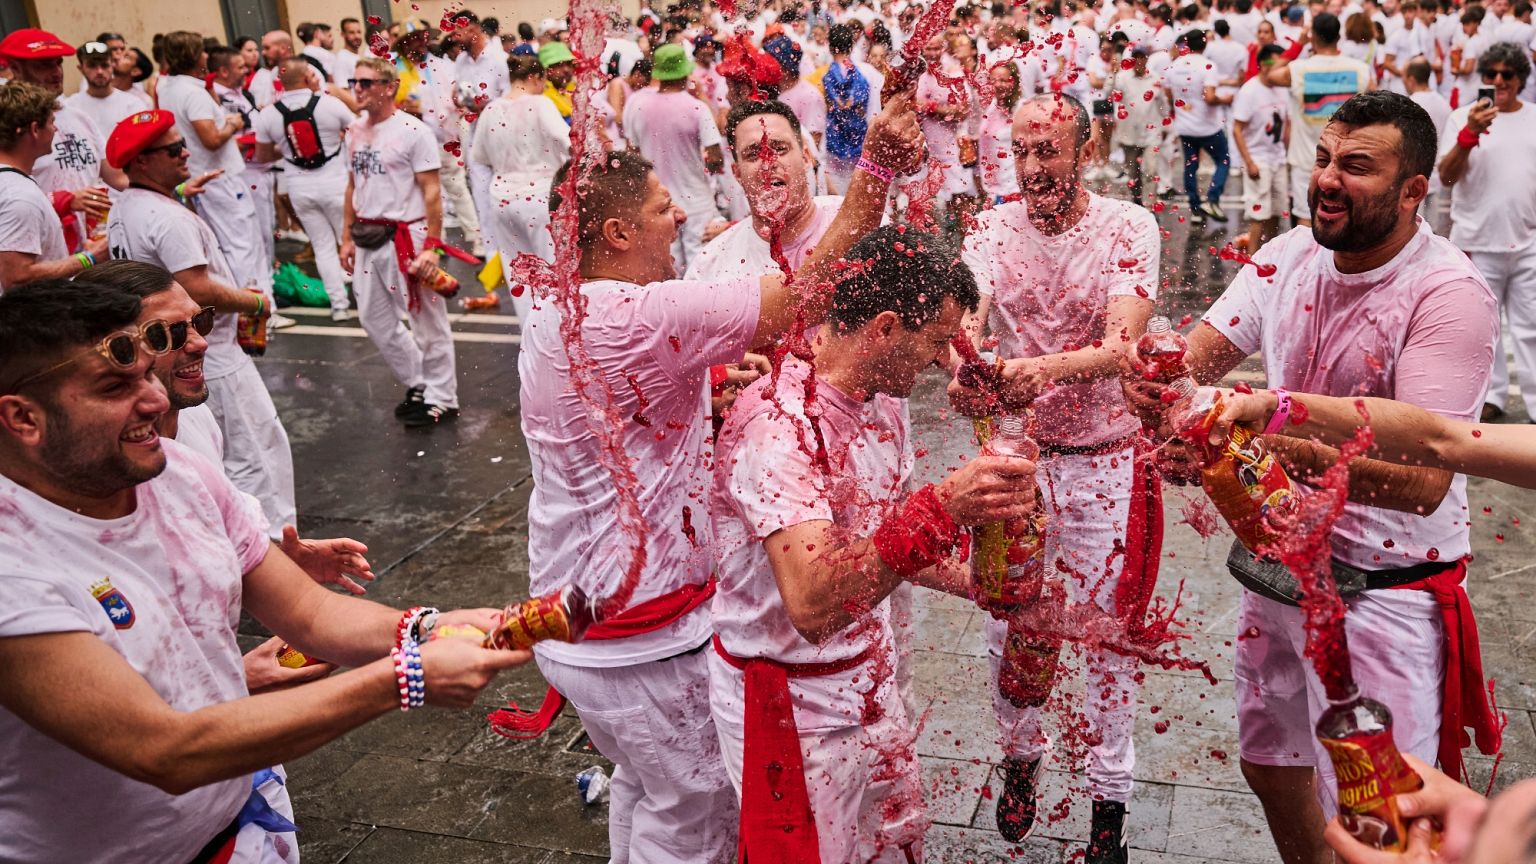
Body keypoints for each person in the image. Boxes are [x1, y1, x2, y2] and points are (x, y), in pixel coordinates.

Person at [513, 91, 921, 864]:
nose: (680, 218)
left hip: (578, 615)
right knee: (695, 818)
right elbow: (798, 296)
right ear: (617, 231)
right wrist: (875, 168)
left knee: (645, 788)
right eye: (664, 207)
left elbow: (634, 409)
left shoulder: (554, 308)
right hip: (638, 638)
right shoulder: (631, 312)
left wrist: (712, 394)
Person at [0, 279, 527, 862]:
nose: (153, 400)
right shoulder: (12, 565)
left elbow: (310, 611)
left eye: (149, 374)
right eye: (113, 388)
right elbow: (163, 751)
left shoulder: (181, 472)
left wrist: (425, 628)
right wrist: (404, 678)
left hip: (240, 828)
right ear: (24, 418)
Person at [1121, 91, 1500, 864]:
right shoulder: (1289, 255)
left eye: (1357, 167)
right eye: (1324, 158)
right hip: (1281, 569)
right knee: (1270, 762)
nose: (1328, 179)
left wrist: (1257, 443)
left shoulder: (1446, 295)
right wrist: (1158, 390)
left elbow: (1424, 482)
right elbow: (1197, 359)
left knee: (1381, 821)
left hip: (1383, 593)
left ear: (1412, 190)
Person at [710, 227, 1028, 863]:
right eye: (936, 342)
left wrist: (989, 583)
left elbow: (877, 535)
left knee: (894, 846)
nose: (943, 363)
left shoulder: (879, 397)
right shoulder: (780, 427)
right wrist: (942, 507)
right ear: (884, 328)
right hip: (791, 709)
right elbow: (815, 604)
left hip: (867, 686)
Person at [949, 93, 1161, 864]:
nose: (1035, 169)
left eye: (1050, 151)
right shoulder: (989, 227)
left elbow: (1122, 345)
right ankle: (1019, 760)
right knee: (1009, 623)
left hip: (1106, 459)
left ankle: (1110, 802)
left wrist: (1025, 372)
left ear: (1087, 148)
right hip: (1021, 464)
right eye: (1023, 152)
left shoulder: (1128, 227)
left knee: (1107, 637)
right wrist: (964, 368)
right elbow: (964, 324)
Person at [105, 108, 297, 538]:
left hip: (166, 354)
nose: (184, 153)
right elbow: (197, 289)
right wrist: (254, 302)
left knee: (207, 454)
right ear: (141, 162)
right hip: (211, 355)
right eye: (172, 149)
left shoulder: (127, 206)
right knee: (256, 456)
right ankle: (275, 556)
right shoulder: (167, 218)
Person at [340, 58, 461, 428]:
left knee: (426, 321)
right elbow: (352, 185)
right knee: (373, 319)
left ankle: (444, 397)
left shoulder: (413, 131)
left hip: (408, 236)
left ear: (389, 87)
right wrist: (345, 236)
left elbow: (432, 192)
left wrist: (433, 247)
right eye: (354, 82)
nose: (357, 89)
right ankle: (420, 381)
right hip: (366, 236)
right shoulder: (354, 130)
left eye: (366, 82)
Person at [1436, 41, 1536, 424]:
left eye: (1506, 75)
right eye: (1490, 74)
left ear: (1520, 79)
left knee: (1530, 328)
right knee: (1482, 327)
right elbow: (1445, 176)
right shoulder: (1463, 117)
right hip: (1477, 239)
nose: (1498, 81)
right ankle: (1490, 398)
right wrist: (1470, 135)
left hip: (1527, 239)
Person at [155, 31, 275, 308]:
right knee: (242, 245)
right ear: (195, 56)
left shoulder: (169, 88)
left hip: (204, 177)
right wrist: (233, 123)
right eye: (202, 52)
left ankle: (251, 304)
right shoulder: (191, 93)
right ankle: (255, 309)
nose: (206, 56)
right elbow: (210, 139)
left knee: (231, 245)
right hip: (219, 177)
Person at [0, 28, 128, 253]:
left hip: (92, 250)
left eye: (58, 63)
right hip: (41, 256)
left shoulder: (79, 116)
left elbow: (115, 177)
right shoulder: (10, 125)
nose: (56, 72)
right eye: (43, 65)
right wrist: (64, 200)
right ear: (16, 69)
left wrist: (171, 187)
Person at [254, 58, 356, 321]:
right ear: (308, 77)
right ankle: (367, 297)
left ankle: (339, 305)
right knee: (351, 242)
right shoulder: (330, 105)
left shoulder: (268, 114)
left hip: (300, 187)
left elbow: (263, 155)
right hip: (336, 185)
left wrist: (288, 145)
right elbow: (358, 132)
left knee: (322, 247)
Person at [470, 54, 570, 321]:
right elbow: (567, 140)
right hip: (538, 196)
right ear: (535, 78)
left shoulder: (492, 109)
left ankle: (531, 337)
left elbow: (479, 156)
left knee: (521, 276)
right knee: (551, 272)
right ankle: (554, 336)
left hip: (502, 199)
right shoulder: (540, 104)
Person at [1263, 13, 1374, 226]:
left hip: (1308, 158)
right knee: (1345, 215)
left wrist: (1299, 43)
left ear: (1312, 36)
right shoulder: (1360, 69)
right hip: (1347, 157)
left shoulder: (1299, 69)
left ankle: (1306, 260)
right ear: (1338, 36)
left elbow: (1269, 74)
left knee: (1306, 216)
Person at [623, 43, 724, 269]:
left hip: (658, 200)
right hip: (696, 199)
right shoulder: (697, 107)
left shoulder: (638, 105)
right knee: (703, 265)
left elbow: (632, 154)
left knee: (669, 265)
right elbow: (716, 157)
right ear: (685, 72)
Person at [0, 81, 106, 290]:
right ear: (34, 130)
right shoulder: (20, 197)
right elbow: (16, 277)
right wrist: (89, 258)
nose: (56, 128)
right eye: (51, 122)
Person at [1164, 28, 1234, 221]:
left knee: (1190, 165)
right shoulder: (1207, 66)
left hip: (1185, 126)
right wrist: (1225, 99)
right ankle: (1212, 199)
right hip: (1208, 127)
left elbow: (1169, 95)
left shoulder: (1174, 66)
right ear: (1204, 44)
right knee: (1224, 160)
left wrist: (1180, 110)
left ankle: (1195, 209)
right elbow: (1210, 97)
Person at [1232, 43, 1292, 251]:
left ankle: (1270, 254)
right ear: (1263, 65)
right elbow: (1237, 128)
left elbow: (1287, 124)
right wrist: (1248, 162)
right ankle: (1251, 258)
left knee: (1276, 211)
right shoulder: (1249, 91)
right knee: (1259, 214)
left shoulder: (1282, 89)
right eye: (1276, 63)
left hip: (1279, 158)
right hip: (1258, 159)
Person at [822, 23, 882, 194]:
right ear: (852, 45)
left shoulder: (827, 75)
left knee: (839, 194)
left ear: (830, 46)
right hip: (861, 138)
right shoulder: (866, 73)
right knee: (861, 191)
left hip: (835, 141)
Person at [1111, 46, 1167, 207]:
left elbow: (1163, 105)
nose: (1139, 61)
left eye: (1142, 58)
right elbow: (1111, 94)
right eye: (1136, 58)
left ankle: (1150, 205)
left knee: (1151, 171)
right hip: (1129, 133)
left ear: (1147, 59)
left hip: (1151, 133)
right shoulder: (1122, 78)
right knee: (1133, 173)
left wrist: (1167, 127)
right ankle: (1137, 202)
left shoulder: (1155, 79)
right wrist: (1112, 73)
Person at [1404, 57, 1453, 232]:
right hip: (1437, 175)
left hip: (1416, 176)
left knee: (1415, 229)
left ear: (1411, 79)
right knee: (1433, 231)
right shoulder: (1443, 104)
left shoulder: (1410, 104)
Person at [63, 41, 146, 141]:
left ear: (112, 66)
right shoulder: (70, 107)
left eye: (105, 65)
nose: (99, 72)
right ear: (81, 69)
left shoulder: (133, 105)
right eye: (92, 66)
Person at [978, 61, 1023, 202]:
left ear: (1014, 82)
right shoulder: (991, 106)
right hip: (993, 189)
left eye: (1004, 80)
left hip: (1013, 188)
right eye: (994, 80)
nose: (998, 85)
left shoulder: (1021, 110)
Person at [335, 17, 363, 87]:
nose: (357, 36)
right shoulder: (342, 58)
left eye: (359, 32)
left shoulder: (356, 56)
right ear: (343, 34)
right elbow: (343, 89)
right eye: (351, 32)